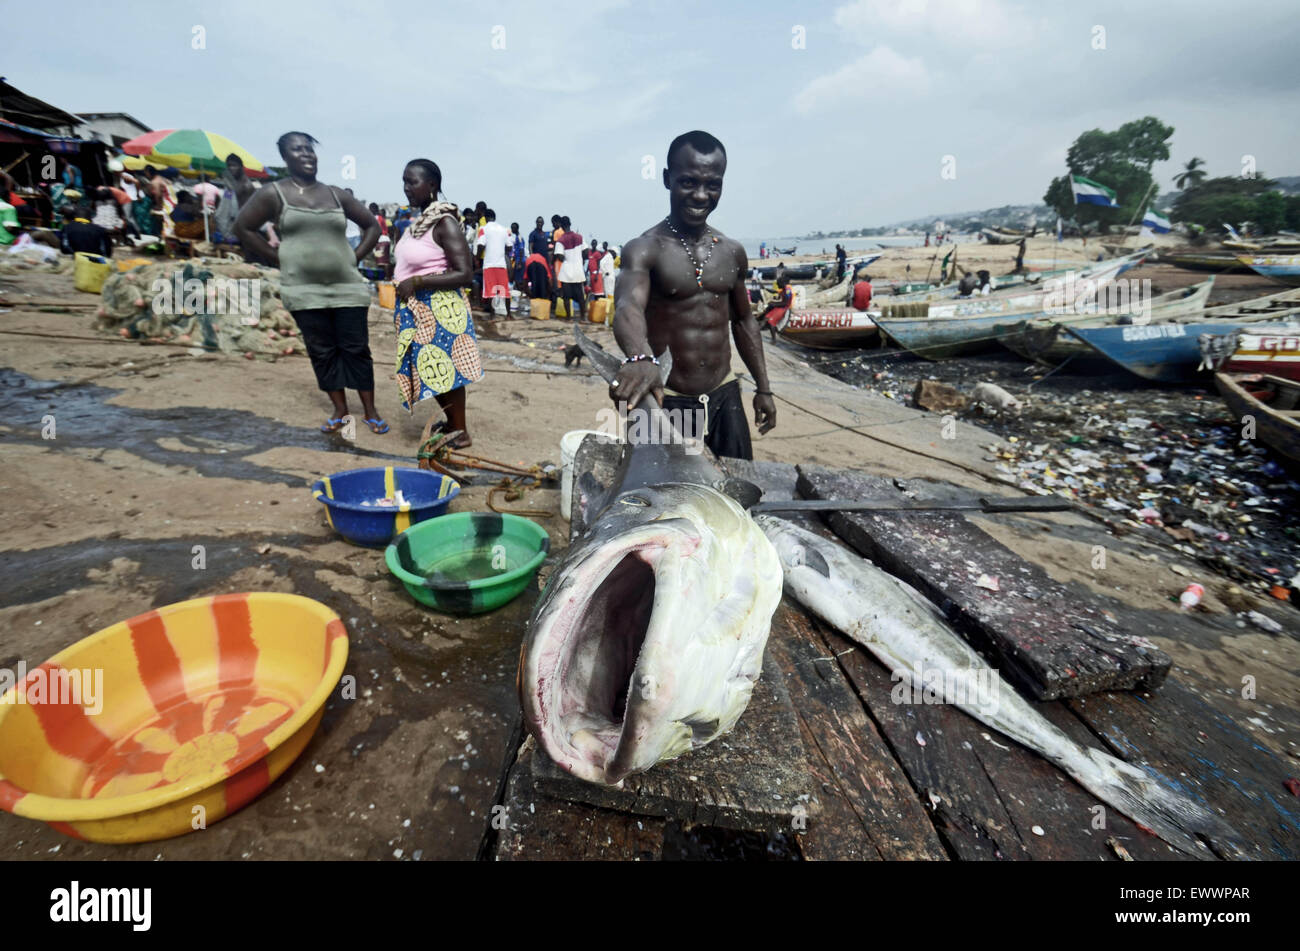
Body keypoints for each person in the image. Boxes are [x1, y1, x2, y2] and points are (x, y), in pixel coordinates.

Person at [610, 130, 775, 460]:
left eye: (712, 185)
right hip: (665, 397)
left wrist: (764, 388)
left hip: (724, 394)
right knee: (663, 499)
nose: (701, 195)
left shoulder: (732, 252)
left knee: (736, 489)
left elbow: (743, 321)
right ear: (667, 179)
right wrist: (640, 358)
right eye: (688, 182)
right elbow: (628, 306)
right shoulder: (644, 249)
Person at [235, 131, 385, 434]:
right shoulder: (272, 193)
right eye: (297, 150)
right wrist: (279, 258)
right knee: (322, 350)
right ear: (285, 157)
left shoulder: (335, 194)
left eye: (310, 149)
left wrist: (354, 257)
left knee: (356, 349)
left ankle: (370, 410)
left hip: (347, 288)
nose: (306, 154)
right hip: (303, 291)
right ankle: (341, 409)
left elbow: (370, 225)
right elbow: (243, 227)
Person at [391, 158, 482, 448]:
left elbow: (464, 274)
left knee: (448, 371)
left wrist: (417, 282)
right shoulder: (418, 224)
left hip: (440, 307)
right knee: (432, 370)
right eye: (404, 181)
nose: (407, 188)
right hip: (418, 309)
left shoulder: (445, 223)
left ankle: (462, 432)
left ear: (432, 185)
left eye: (412, 181)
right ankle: (453, 424)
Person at [476, 209, 513, 317]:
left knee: (490, 291)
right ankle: (509, 315)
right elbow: (510, 247)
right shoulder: (504, 229)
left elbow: (481, 245)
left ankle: (492, 315)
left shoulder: (483, 229)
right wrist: (501, 252)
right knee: (504, 291)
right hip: (501, 264)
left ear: (486, 218)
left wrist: (477, 258)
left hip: (489, 265)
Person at [554, 216, 586, 321]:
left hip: (567, 270)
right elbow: (586, 252)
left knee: (566, 296)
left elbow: (559, 256)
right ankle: (583, 318)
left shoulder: (560, 240)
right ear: (570, 224)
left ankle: (569, 317)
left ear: (562, 226)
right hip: (578, 269)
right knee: (581, 296)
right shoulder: (579, 237)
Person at [759, 275, 793, 343]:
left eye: (778, 283)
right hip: (780, 307)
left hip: (784, 308)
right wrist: (765, 288)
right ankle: (758, 332)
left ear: (782, 283)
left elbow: (786, 303)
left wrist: (774, 304)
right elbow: (774, 291)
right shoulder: (784, 289)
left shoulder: (787, 291)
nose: (777, 285)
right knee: (766, 318)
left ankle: (774, 339)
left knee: (771, 322)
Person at [509, 221, 526, 289]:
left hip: (520, 261)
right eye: (511, 228)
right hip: (517, 260)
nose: (512, 229)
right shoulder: (516, 237)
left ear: (517, 228)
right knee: (516, 279)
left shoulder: (519, 237)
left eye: (513, 228)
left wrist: (519, 263)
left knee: (519, 280)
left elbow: (521, 250)